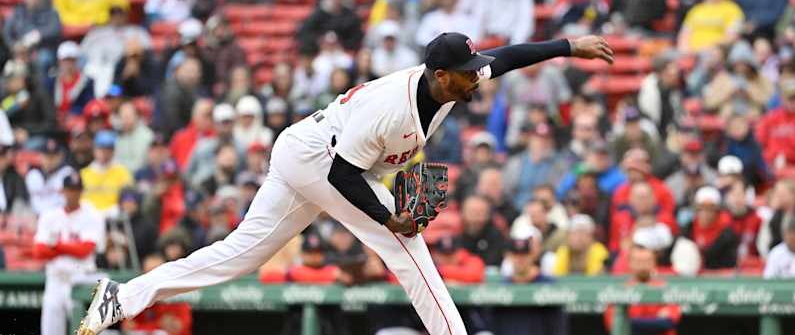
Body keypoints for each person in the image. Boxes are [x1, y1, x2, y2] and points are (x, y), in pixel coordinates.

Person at [77, 32, 614, 335]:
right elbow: (340, 175)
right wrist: (388, 217)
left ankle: (121, 298)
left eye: (475, 68)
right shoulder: (392, 110)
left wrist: (569, 46)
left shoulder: (456, 81)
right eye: (467, 71)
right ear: (438, 75)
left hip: (310, 152)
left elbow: (511, 57)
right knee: (407, 246)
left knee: (238, 255)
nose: (478, 75)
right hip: (319, 158)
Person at [33, 172, 104, 335]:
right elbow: (38, 251)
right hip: (55, 280)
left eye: (76, 189)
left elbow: (85, 249)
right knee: (50, 331)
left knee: (83, 331)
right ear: (62, 191)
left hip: (81, 279)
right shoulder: (50, 215)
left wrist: (55, 246)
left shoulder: (92, 214)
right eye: (70, 189)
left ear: (82, 191)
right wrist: (70, 247)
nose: (73, 193)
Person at [604, 243, 681, 335]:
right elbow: (615, 325)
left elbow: (668, 322)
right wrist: (655, 321)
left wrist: (631, 321)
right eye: (638, 261)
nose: (643, 266)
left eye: (647, 261)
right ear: (629, 263)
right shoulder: (619, 290)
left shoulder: (665, 288)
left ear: (654, 262)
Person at [3, 0, 62, 72]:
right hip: (19, 50)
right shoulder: (17, 12)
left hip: (43, 49)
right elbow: (6, 32)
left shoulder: (51, 11)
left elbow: (55, 29)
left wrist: (38, 35)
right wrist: (13, 45)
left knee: (43, 59)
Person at [677, 0, 743, 53]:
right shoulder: (696, 9)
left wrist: (708, 48)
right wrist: (685, 50)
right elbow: (684, 34)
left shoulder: (733, 9)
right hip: (690, 52)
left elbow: (731, 37)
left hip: (716, 52)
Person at [755, 77, 795, 166]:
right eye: (790, 99)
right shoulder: (771, 117)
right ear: (782, 99)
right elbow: (759, 142)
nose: (794, 102)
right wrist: (770, 157)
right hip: (772, 165)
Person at [80, 130, 133, 216]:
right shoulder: (84, 173)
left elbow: (128, 198)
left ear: (113, 151)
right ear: (94, 150)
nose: (104, 153)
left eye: (108, 149)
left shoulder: (122, 172)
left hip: (113, 218)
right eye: (101, 148)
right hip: (88, 218)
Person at [26, 138, 75, 216]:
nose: (50, 160)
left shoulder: (67, 173)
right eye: (47, 156)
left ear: (61, 156)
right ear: (40, 156)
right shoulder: (32, 174)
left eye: (54, 156)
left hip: (60, 218)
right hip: (35, 218)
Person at [48, 41, 95, 118]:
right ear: (59, 61)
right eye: (65, 60)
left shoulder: (87, 82)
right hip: (55, 121)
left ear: (77, 61)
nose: (68, 64)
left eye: (72, 60)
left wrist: (73, 115)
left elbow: (88, 105)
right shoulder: (51, 81)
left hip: (77, 121)